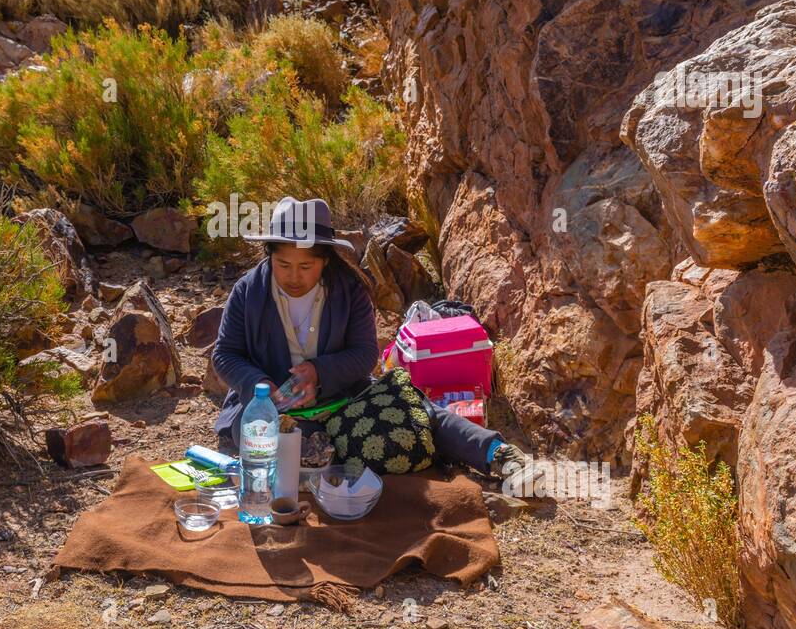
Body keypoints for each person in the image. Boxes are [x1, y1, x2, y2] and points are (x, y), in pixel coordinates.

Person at [210, 196, 545, 491]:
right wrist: (261, 387)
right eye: (283, 265)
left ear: (325, 260)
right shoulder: (248, 292)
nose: (293, 277)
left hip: (343, 398)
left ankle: (498, 455)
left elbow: (365, 354)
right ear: (269, 258)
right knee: (258, 432)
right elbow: (225, 354)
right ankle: (335, 454)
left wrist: (319, 372)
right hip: (271, 407)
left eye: (305, 266)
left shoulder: (348, 291)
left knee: (417, 412)